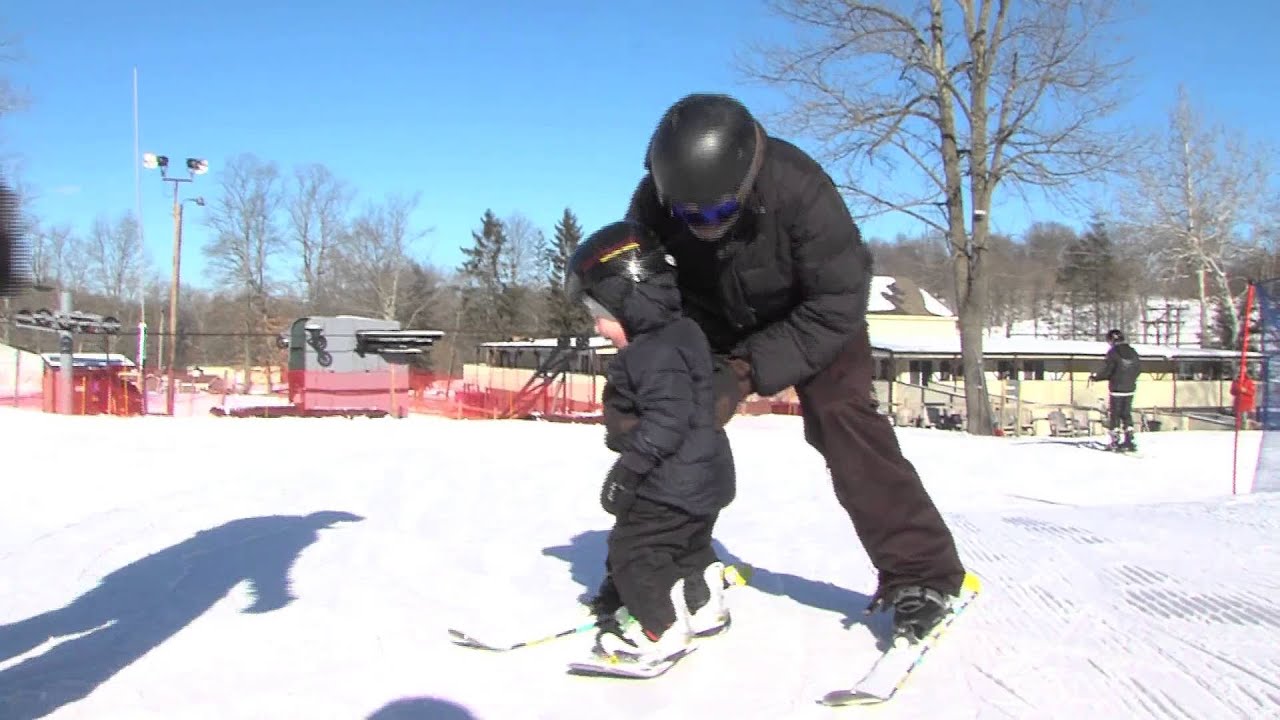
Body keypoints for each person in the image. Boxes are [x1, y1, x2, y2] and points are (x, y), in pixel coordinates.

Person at [623, 92, 967, 643]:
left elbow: (837, 302)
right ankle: (674, 564)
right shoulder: (654, 202)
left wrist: (744, 371)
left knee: (842, 418)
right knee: (676, 418)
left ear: (746, 183)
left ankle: (922, 574)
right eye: (689, 215)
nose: (704, 225)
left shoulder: (801, 189)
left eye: (719, 212)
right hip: (713, 317)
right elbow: (648, 291)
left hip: (813, 315)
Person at [567, 218, 736, 667]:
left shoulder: (650, 352)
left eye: (600, 315)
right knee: (688, 544)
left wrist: (629, 470)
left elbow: (666, 420)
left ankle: (656, 631)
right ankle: (703, 604)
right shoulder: (684, 333)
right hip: (704, 477)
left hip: (670, 481)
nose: (599, 328)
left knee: (636, 553)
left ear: (629, 298)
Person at [1090, 329, 1141, 451]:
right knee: (1126, 413)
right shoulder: (1133, 351)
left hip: (1116, 388)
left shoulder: (1113, 352)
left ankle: (1115, 440)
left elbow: (1108, 371)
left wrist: (1096, 378)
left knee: (1115, 414)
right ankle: (1129, 439)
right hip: (1130, 388)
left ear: (1111, 340)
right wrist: (1131, 380)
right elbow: (1138, 369)